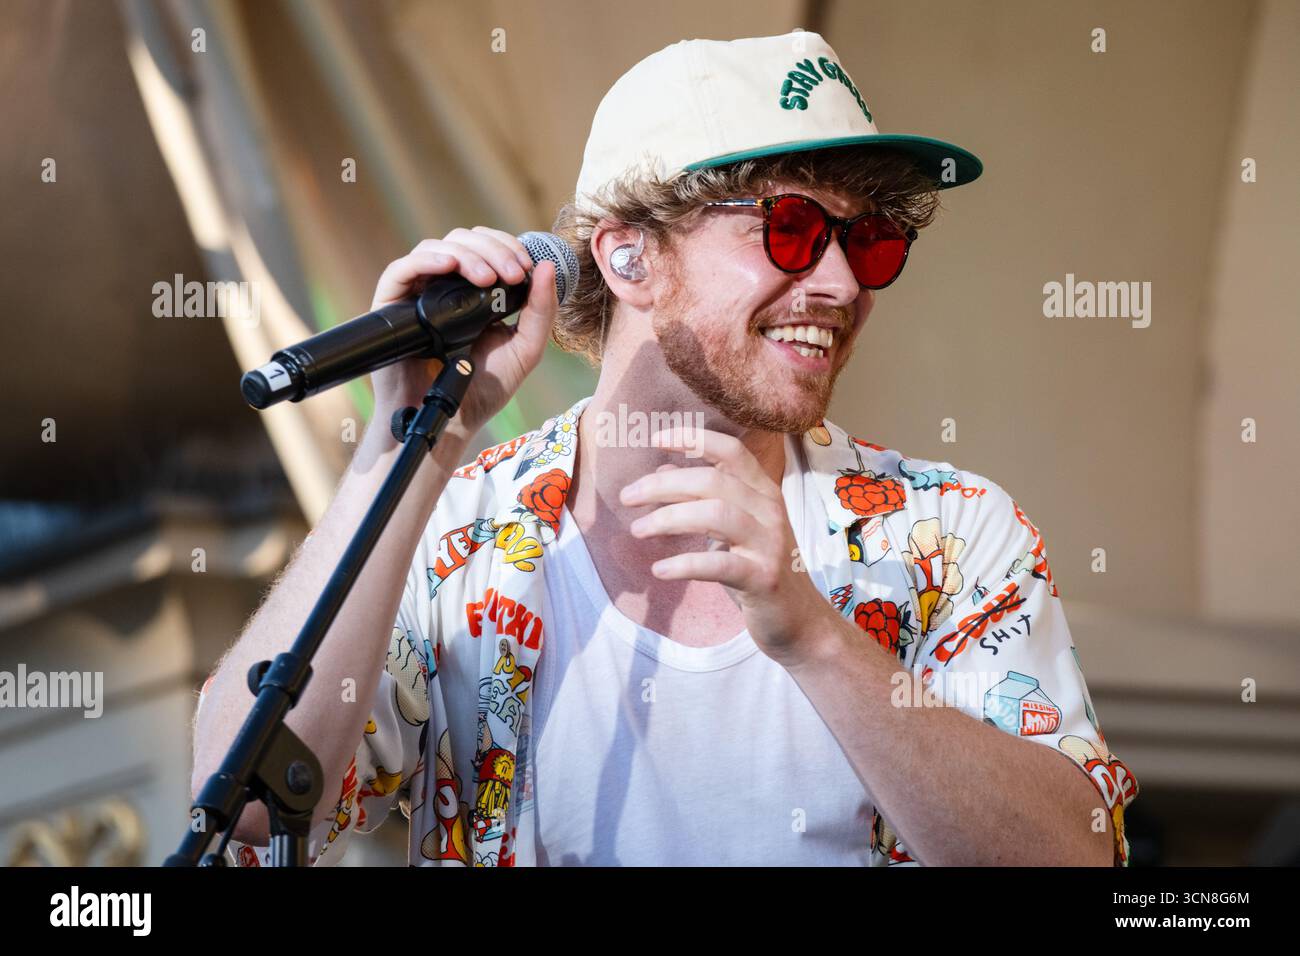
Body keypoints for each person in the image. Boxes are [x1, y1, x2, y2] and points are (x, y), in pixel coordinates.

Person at [192, 30, 1138, 867]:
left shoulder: (952, 533)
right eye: (795, 228)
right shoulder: (461, 526)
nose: (845, 283)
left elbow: (1077, 860)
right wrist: (404, 446)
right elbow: (244, 814)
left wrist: (812, 635)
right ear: (628, 257)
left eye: (874, 243)